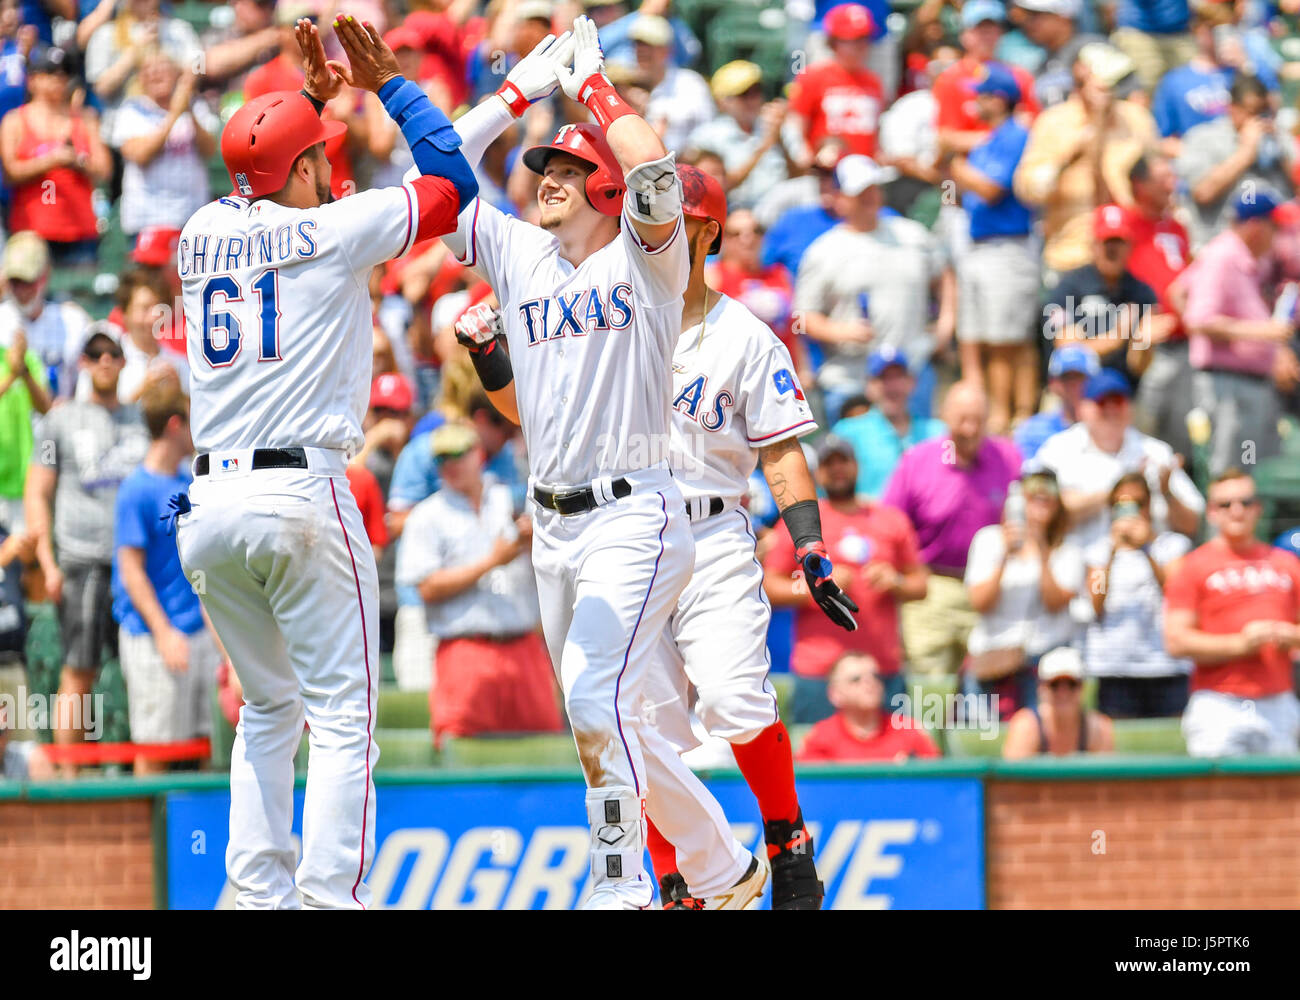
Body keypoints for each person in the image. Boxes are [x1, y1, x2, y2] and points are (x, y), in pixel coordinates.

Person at [441, 15, 776, 910]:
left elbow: (660, 177)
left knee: (598, 702)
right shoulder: (520, 253)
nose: (546, 181)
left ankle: (626, 887)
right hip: (551, 522)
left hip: (635, 511)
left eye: (567, 170)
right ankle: (721, 867)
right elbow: (434, 178)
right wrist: (512, 95)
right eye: (540, 169)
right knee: (603, 718)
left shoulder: (645, 263)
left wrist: (592, 87)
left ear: (607, 187)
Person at [172, 18, 479, 910]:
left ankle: (251, 894)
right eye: (319, 157)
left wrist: (307, 105)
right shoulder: (342, 228)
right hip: (300, 489)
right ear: (300, 170)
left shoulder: (197, 234)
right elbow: (453, 183)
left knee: (267, 710)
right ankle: (326, 899)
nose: (329, 168)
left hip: (210, 503)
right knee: (344, 715)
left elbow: (260, 170)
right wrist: (390, 88)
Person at [619, 165, 864, 910]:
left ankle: (787, 839)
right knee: (645, 727)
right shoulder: (613, 321)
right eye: (651, 221)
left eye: (678, 222)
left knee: (735, 698)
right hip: (624, 535)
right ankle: (675, 879)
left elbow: (782, 450)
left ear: (707, 233)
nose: (661, 234)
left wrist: (811, 547)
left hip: (712, 531)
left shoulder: (747, 336)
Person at [24, 324, 149, 771]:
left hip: (138, 560)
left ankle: (138, 772)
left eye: (112, 352)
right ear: (82, 362)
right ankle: (70, 774)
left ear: (123, 359)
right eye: (94, 353)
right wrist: (47, 561)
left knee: (143, 668)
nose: (104, 361)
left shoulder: (140, 418)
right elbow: (37, 490)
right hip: (83, 559)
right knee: (79, 668)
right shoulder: (61, 419)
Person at [394, 421, 562, 744]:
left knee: (544, 745)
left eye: (458, 454)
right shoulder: (427, 515)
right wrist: (491, 561)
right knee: (459, 745)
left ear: (478, 454)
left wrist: (536, 543)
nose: (450, 464)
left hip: (524, 646)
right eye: (442, 458)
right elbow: (426, 588)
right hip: (464, 648)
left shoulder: (513, 498)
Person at [765, 434, 927, 722]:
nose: (838, 469)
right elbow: (769, 586)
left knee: (891, 763)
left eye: (844, 461)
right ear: (818, 473)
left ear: (857, 466)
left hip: (881, 671)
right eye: (829, 463)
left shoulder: (890, 519)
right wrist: (815, 587)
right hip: (820, 673)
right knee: (817, 763)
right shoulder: (801, 522)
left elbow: (920, 584)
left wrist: (895, 581)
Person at [112, 379, 222, 775]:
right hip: (153, 639)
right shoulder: (135, 490)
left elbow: (204, 569)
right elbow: (130, 571)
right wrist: (164, 633)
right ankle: (153, 840)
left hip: (199, 635)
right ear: (175, 424)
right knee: (156, 751)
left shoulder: (191, 485)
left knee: (211, 748)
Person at [794, 153, 951, 424]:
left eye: (873, 188)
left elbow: (945, 276)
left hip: (912, 372)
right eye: (860, 191)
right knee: (862, 460)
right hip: (852, 379)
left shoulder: (912, 235)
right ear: (840, 198)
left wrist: (946, 325)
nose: (869, 196)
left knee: (915, 456)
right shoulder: (823, 252)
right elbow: (800, 318)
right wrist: (839, 331)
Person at [882, 381, 1021, 679]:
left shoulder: (1007, 458)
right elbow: (891, 523)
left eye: (978, 420)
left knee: (993, 685)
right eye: (962, 420)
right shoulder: (918, 462)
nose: (970, 429)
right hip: (934, 586)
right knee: (930, 686)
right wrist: (906, 577)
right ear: (945, 417)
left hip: (993, 585)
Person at [1165, 468, 1300, 756]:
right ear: (1212, 512)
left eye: (1246, 502)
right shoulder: (1192, 566)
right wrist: (1240, 645)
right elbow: (1176, 640)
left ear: (1258, 508)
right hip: (1218, 702)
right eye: (1226, 504)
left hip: (1279, 700)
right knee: (1219, 797)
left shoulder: (1286, 563)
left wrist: (1291, 635)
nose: (1237, 511)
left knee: (1284, 798)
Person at [947, 61, 1038, 433]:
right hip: (980, 246)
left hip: (1008, 247)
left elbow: (992, 188)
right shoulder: (989, 139)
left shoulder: (1014, 135)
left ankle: (1010, 418)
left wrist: (958, 169)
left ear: (999, 99)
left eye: (982, 95)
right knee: (980, 336)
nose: (975, 102)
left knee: (1006, 340)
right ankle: (989, 416)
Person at [1013, 42, 1156, 275]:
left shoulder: (1137, 118)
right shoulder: (1054, 122)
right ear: (1082, 78)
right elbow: (1028, 191)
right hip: (1072, 256)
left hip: (1131, 257)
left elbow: (1156, 181)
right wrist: (1066, 160)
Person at [1179, 187, 1291, 477]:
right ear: (1256, 227)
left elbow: (1178, 291)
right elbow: (1199, 320)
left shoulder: (1237, 255)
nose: (1278, 234)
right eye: (1274, 226)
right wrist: (1263, 333)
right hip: (1228, 387)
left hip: (1243, 385)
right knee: (1228, 477)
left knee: (1246, 477)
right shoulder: (1223, 256)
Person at [1030, 369, 1204, 551]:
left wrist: (1167, 492)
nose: (1111, 409)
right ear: (1083, 408)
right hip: (1079, 561)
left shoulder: (1156, 452)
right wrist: (1120, 489)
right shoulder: (1059, 449)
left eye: (1118, 401)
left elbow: (1194, 525)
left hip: (1146, 560)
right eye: (1102, 402)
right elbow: (1040, 513)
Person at [965, 468, 1084, 718]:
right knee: (985, 737)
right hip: (993, 658)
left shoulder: (1069, 550)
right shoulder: (988, 540)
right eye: (1032, 495)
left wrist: (1040, 548)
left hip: (1043, 663)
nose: (1039, 501)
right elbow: (980, 602)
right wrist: (1006, 555)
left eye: (1047, 496)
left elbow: (1055, 602)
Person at [1084, 472, 1192, 718]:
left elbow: (1176, 594)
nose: (1131, 512)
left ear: (1150, 506)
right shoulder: (1100, 551)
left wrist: (1147, 549)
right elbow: (1096, 601)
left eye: (1138, 503)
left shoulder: (1172, 545)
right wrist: (1111, 554)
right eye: (1121, 505)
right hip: (1115, 668)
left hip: (1166, 666)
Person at [0, 46, 111, 265]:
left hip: (80, 230)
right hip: (31, 230)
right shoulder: (15, 121)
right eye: (50, 72)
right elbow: (10, 173)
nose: (59, 79)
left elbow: (104, 170)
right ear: (32, 79)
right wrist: (51, 160)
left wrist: (77, 161)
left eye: (64, 73)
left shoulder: (85, 119)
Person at [1125, 156, 1193, 463]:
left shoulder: (1177, 227)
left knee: (1181, 445)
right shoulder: (1124, 225)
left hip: (1185, 345)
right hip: (1146, 349)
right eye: (1163, 178)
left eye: (1172, 176)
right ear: (1141, 185)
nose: (1172, 184)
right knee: (1145, 442)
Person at [1045, 203, 1160, 386]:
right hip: (1074, 389)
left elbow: (1139, 366)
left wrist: (1143, 342)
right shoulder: (1070, 286)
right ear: (1093, 246)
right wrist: (1117, 337)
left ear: (1130, 246)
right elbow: (1067, 350)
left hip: (1122, 393)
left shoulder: (1141, 293)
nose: (1112, 250)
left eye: (1118, 241)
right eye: (1106, 241)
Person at [1177, 74, 1295, 249]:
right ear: (1233, 108)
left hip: (1275, 249)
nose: (1258, 119)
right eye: (1252, 111)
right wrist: (1245, 154)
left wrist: (1280, 153)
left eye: (1263, 112)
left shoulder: (1279, 138)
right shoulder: (1203, 138)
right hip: (1220, 245)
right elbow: (1203, 193)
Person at [106, 50, 217, 237]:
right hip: (147, 219)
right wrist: (174, 114)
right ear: (141, 78)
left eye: (163, 68)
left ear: (176, 74)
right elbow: (140, 155)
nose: (156, 74)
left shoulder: (196, 106)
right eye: (149, 70)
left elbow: (209, 151)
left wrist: (188, 110)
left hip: (191, 217)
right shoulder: (131, 110)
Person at [831, 345, 945, 498]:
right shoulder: (847, 432)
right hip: (870, 519)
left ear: (912, 382)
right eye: (883, 378)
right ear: (869, 386)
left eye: (898, 377)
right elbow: (831, 492)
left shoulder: (938, 433)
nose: (891, 386)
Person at [688, 60, 795, 212]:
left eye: (757, 91)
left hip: (779, 214)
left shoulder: (779, 126)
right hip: (730, 215)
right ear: (722, 102)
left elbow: (799, 176)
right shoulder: (706, 137)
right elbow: (716, 187)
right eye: (744, 94)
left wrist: (781, 142)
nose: (753, 99)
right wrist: (764, 147)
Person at [796, 651, 940, 763]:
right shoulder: (820, 738)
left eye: (875, 676)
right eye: (856, 679)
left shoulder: (908, 730)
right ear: (835, 694)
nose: (869, 683)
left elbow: (936, 780)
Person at [787, 4, 885, 161]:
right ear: (833, 42)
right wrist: (803, 157)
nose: (862, 46)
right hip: (824, 173)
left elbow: (875, 137)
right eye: (855, 40)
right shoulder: (812, 76)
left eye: (865, 39)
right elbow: (795, 125)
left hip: (864, 172)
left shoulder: (874, 81)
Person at [0, 230, 91, 399]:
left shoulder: (73, 320)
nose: (21, 290)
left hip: (62, 418)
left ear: (45, 275)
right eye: (14, 281)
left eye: (28, 281)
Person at [0, 275, 51, 534]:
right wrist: (12, 373)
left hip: (22, 482)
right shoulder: (13, 364)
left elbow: (46, 407)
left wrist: (24, 372)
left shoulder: (28, 359)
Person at [1002, 645, 1114, 756]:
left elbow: (1106, 773)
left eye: (1071, 684)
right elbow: (1015, 772)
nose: (1063, 693)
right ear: (1041, 688)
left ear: (1082, 687)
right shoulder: (1025, 726)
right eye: (1054, 685)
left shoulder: (1099, 728)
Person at [630, 14, 712, 155]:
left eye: (649, 45)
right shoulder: (623, 84)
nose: (642, 50)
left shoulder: (690, 83)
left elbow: (709, 131)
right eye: (638, 44)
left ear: (667, 50)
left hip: (685, 166)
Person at [1014, 344, 1099, 461]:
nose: (1074, 385)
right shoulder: (1033, 430)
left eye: (1080, 377)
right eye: (1066, 378)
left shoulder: (1109, 429)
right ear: (1053, 383)